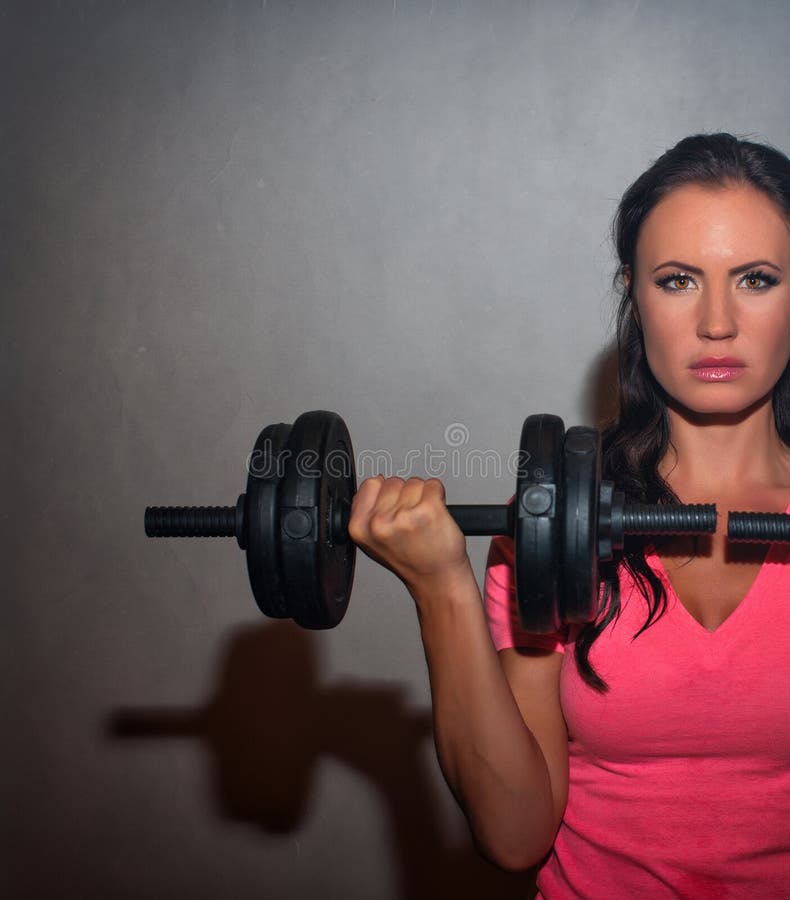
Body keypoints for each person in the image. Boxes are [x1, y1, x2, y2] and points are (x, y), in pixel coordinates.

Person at [348, 132, 790, 898]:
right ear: (634, 294)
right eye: (678, 281)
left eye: (755, 279)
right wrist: (441, 587)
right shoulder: (552, 531)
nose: (717, 324)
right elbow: (515, 837)